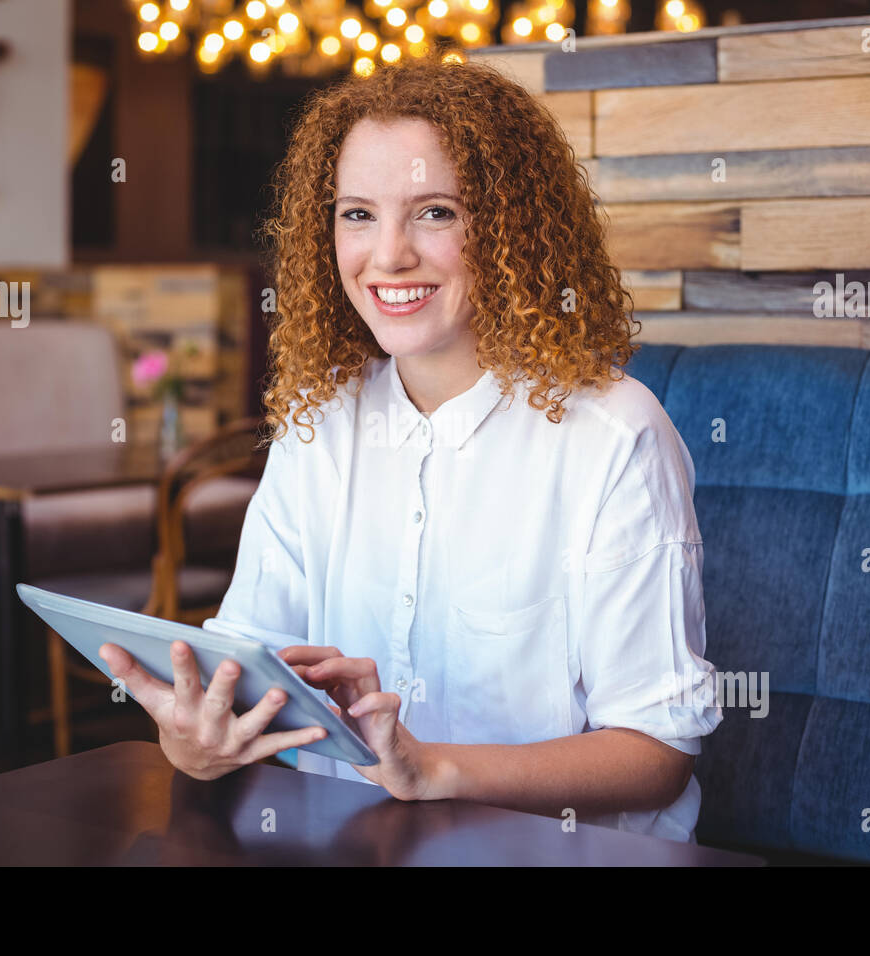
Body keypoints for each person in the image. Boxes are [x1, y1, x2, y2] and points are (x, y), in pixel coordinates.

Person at [101, 54, 723, 842]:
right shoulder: (321, 421)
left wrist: (433, 769)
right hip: (353, 849)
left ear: (510, 228)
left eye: (434, 212)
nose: (388, 254)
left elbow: (656, 753)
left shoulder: (616, 435)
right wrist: (193, 737)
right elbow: (240, 664)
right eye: (357, 214)